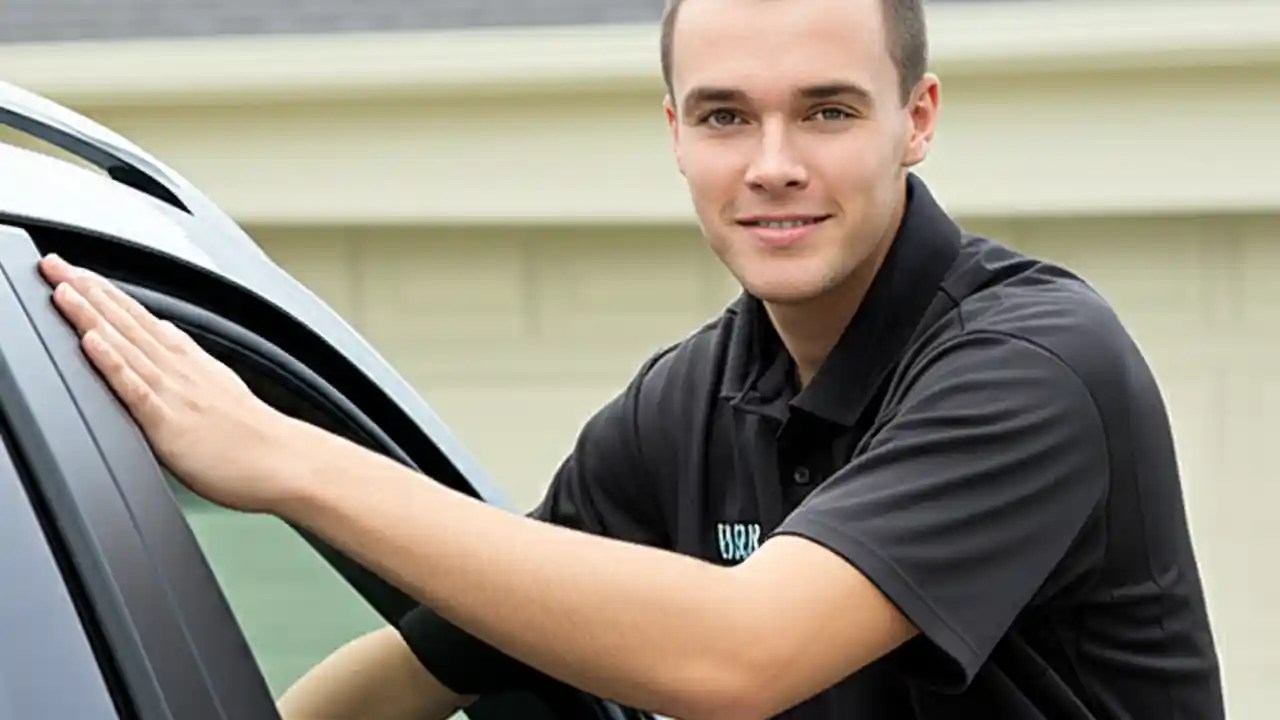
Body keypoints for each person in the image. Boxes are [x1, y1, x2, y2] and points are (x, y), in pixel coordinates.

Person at [39, 0, 1225, 717]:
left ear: (914, 119)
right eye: (723, 116)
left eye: (825, 111)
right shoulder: (686, 406)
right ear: (674, 133)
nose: (770, 163)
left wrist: (289, 459)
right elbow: (423, 665)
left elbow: (737, 655)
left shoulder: (1031, 368)